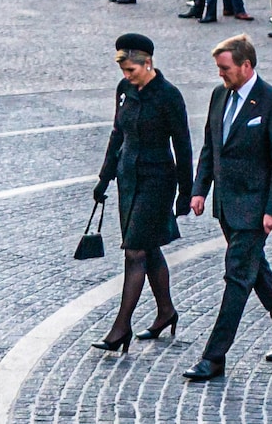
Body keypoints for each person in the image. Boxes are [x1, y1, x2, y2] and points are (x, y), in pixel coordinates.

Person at [184, 34, 272, 381]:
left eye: (225, 68)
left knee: (237, 276)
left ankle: (214, 357)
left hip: (255, 208)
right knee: (255, 270)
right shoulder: (219, 95)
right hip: (226, 204)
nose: (220, 74)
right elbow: (211, 146)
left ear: (246, 65)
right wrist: (200, 190)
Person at [90, 32, 192, 350]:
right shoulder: (124, 90)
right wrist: (105, 177)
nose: (126, 76)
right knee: (147, 247)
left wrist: (186, 192)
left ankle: (121, 328)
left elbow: (183, 145)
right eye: (123, 71)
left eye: (131, 70)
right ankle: (166, 311)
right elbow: (117, 133)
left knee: (135, 251)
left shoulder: (169, 96)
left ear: (148, 63)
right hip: (129, 178)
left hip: (157, 179)